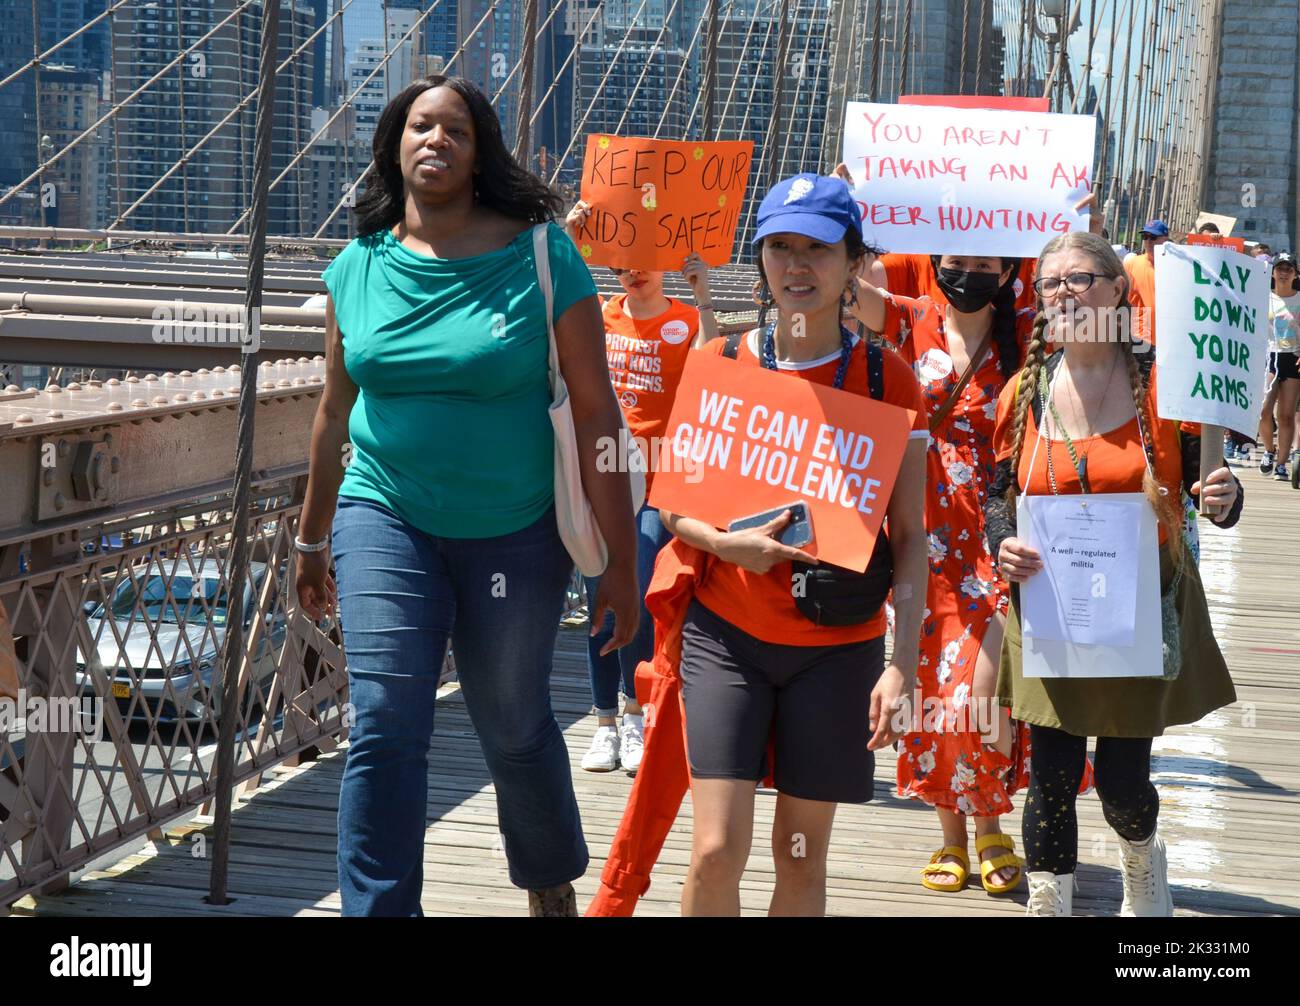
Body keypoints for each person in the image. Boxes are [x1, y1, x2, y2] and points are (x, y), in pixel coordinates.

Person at [294, 75, 639, 917]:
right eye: (419, 126)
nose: (434, 141)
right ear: (393, 145)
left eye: (454, 129)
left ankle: (548, 877)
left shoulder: (540, 255)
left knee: (513, 723)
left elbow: (598, 413)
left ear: (479, 151)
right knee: (383, 719)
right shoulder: (357, 267)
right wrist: (309, 538)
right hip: (385, 515)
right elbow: (334, 409)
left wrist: (621, 564)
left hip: (515, 530)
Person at [589, 173, 929, 916]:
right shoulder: (724, 363)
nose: (797, 266)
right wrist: (725, 545)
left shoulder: (887, 378)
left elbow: (911, 539)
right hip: (728, 634)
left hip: (838, 647)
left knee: (799, 859)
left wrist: (902, 666)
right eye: (780, 248)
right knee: (715, 852)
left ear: (852, 263)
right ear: (760, 259)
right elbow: (674, 506)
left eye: (818, 249)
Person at [985, 231, 1243, 917]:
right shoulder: (1024, 392)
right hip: (1050, 606)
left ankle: (1141, 861)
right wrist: (1003, 543)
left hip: (1137, 605)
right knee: (1052, 776)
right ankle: (1051, 905)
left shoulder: (1167, 388)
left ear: (1119, 293)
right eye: (1051, 283)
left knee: (1125, 783)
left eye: (1082, 279)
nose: (1065, 293)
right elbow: (995, 495)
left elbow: (1213, 493)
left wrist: (1225, 497)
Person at [846, 252, 1037, 895]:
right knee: (928, 694)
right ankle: (953, 836)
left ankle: (989, 823)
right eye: (958, 262)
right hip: (917, 538)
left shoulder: (1031, 338)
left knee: (980, 692)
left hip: (995, 539)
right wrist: (857, 218)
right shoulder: (908, 321)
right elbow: (843, 293)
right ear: (935, 264)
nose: (970, 273)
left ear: (1009, 274)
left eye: (987, 264)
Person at [564, 200, 720, 773]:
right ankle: (604, 721)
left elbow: (715, 368)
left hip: (659, 480)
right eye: (625, 259)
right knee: (599, 598)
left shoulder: (682, 318)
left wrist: (703, 293)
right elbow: (547, 314)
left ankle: (635, 714)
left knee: (641, 592)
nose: (636, 268)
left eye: (648, 258)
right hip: (601, 477)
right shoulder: (600, 315)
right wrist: (570, 240)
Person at [1259, 252, 1300, 480]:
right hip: (1269, 357)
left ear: (1295, 274)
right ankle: (1268, 450)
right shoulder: (1263, 297)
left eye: (1289, 269)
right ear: (1273, 272)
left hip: (1293, 357)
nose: (1284, 273)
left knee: (1286, 415)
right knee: (1264, 410)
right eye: (1280, 269)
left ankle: (1282, 464)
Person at [1123, 219, 1169, 346]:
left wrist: (1214, 242)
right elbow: (1121, 300)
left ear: (1165, 239)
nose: (1148, 241)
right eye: (1145, 237)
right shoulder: (1131, 264)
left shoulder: (1175, 266)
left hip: (1168, 341)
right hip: (1140, 340)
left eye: (1152, 237)